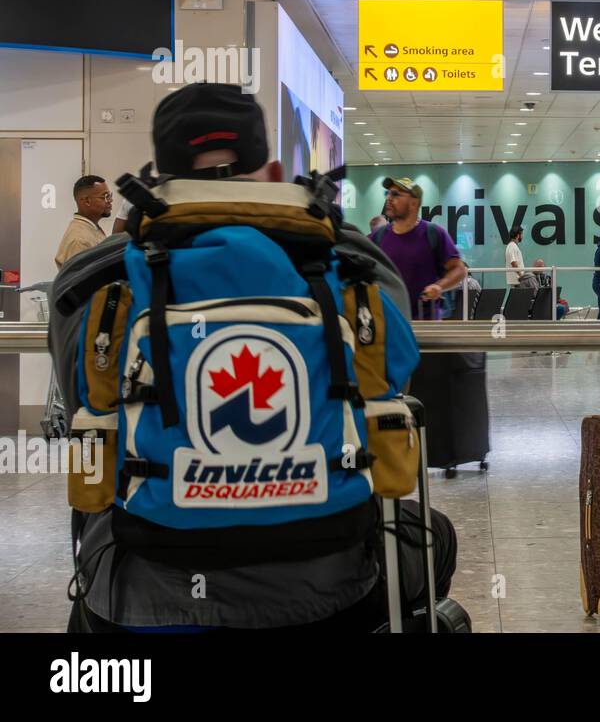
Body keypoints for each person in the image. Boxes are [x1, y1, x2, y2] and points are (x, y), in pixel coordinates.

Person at [48, 82, 457, 629]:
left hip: (146, 578)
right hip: (331, 588)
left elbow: (81, 397)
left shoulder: (93, 280)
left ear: (159, 173)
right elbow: (395, 370)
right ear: (268, 170)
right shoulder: (352, 263)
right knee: (438, 536)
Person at [371, 177, 467, 320]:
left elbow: (459, 269)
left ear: (414, 203)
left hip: (426, 324)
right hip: (389, 323)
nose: (389, 199)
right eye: (388, 194)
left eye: (396, 194)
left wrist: (439, 286)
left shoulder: (434, 234)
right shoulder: (378, 237)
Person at [54, 175, 113, 268]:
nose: (110, 200)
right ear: (87, 201)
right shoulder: (79, 240)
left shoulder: (91, 228)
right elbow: (81, 281)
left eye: (109, 196)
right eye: (104, 196)